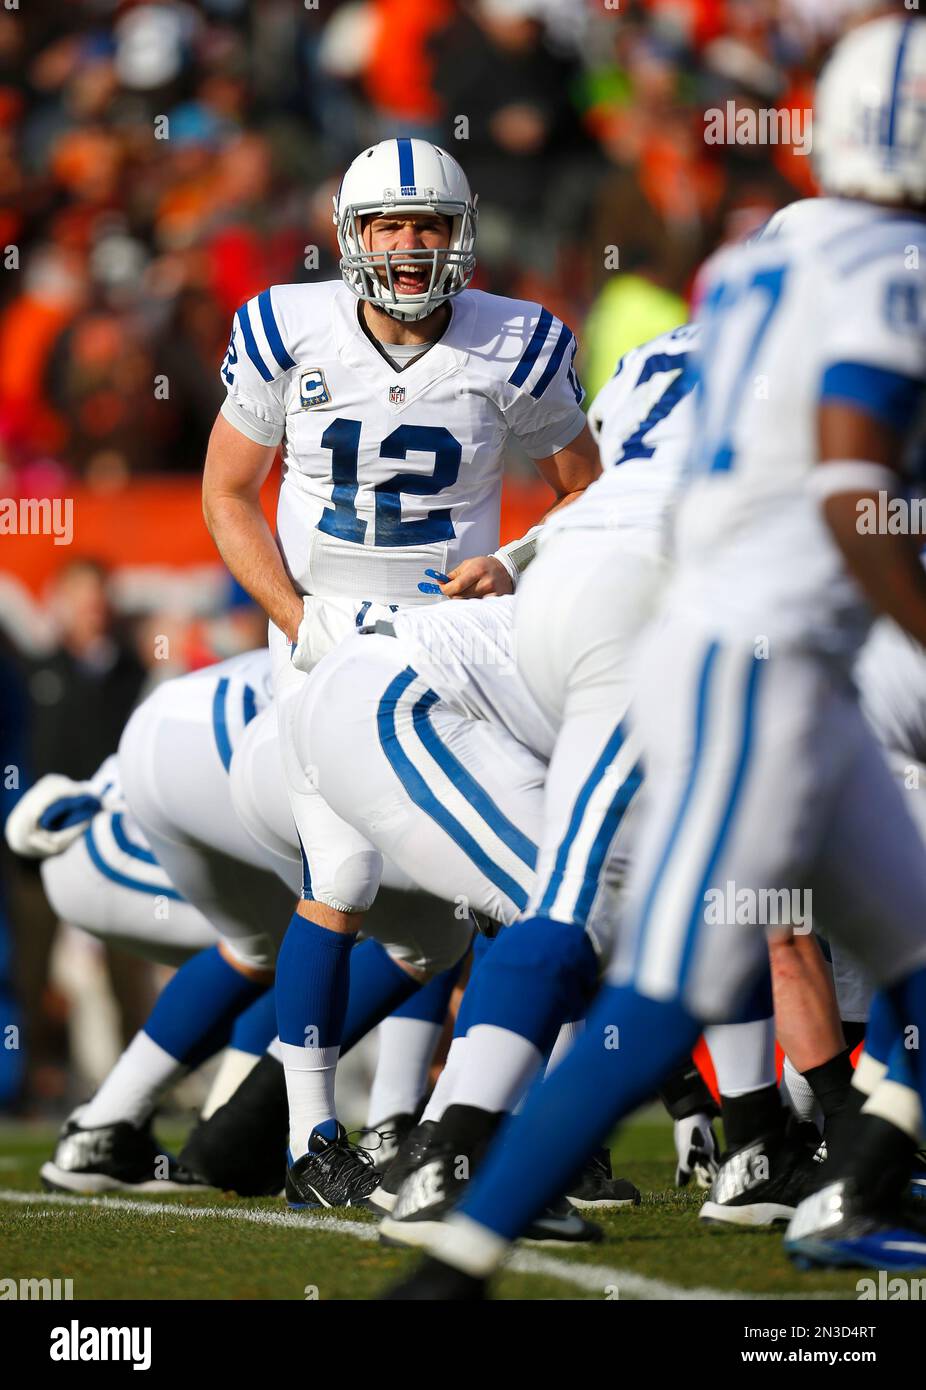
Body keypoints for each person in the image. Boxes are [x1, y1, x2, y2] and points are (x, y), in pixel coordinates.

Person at [383, 14, 926, 1297]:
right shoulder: (893, 266)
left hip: (727, 642)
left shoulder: (740, 274)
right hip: (765, 660)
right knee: (664, 985)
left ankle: (861, 1173)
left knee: (831, 956)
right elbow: (852, 472)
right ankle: (457, 1251)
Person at [201, 136, 601, 1207]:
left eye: (428, 225)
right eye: (388, 225)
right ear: (351, 236)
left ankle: (489, 1119)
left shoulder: (516, 343)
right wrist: (295, 621)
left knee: (498, 878)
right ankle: (306, 1140)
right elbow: (228, 494)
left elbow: (583, 490)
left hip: (451, 638)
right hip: (324, 629)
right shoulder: (288, 329)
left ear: (460, 234)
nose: (409, 246)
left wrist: (509, 561)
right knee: (342, 871)